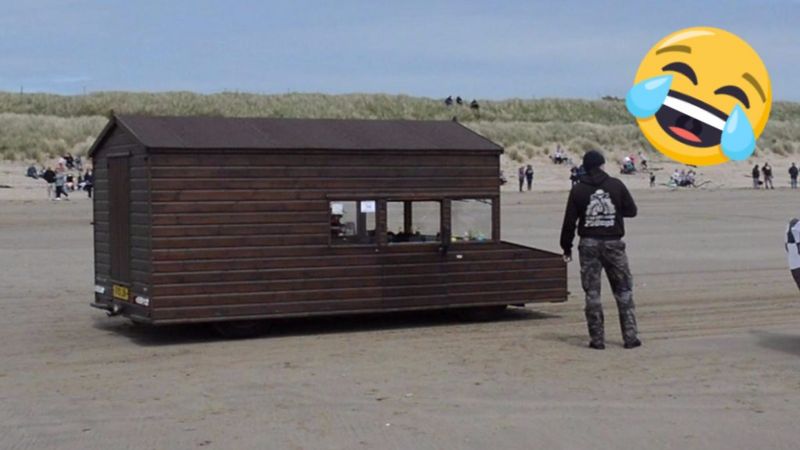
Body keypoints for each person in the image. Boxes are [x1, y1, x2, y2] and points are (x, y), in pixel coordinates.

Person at [560, 150, 640, 350]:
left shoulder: (578, 190)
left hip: (588, 244)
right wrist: (615, 211)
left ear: (586, 167)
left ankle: (597, 339)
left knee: (592, 293)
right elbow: (632, 210)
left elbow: (569, 222)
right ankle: (630, 338)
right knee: (623, 291)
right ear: (602, 165)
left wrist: (566, 247)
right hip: (613, 243)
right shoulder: (616, 185)